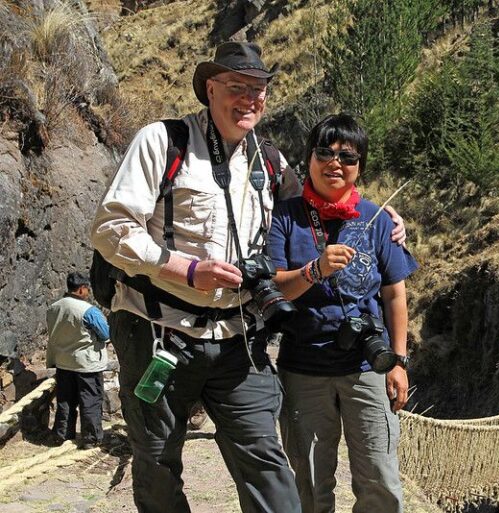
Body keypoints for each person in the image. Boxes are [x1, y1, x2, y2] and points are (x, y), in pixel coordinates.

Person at [90, 43, 404, 513]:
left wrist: (380, 215)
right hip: (158, 332)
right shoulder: (163, 142)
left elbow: (315, 207)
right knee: (157, 468)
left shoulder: (270, 161)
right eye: (237, 87)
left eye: (258, 89)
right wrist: (186, 269)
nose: (249, 99)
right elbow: (111, 228)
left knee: (269, 468)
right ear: (209, 89)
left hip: (239, 338)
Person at [268, 113, 417, 513]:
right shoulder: (285, 217)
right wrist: (315, 270)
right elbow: (274, 287)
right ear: (308, 159)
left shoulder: (379, 219)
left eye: (348, 156)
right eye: (325, 152)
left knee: (380, 481)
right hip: (304, 369)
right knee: (309, 485)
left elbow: (395, 295)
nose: (335, 163)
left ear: (360, 166)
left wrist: (399, 362)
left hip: (368, 367)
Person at [46, 272, 110, 449]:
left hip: (63, 362)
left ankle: (62, 436)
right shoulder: (89, 311)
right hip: (87, 364)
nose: (88, 292)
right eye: (87, 289)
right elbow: (105, 334)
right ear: (81, 289)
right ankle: (91, 439)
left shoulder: (53, 308)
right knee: (90, 401)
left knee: (65, 401)